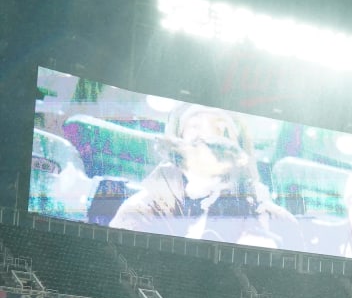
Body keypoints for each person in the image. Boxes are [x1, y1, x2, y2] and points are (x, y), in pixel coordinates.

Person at [109, 102, 296, 245]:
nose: (208, 134)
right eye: (195, 126)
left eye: (221, 128)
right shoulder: (140, 211)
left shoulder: (279, 222)